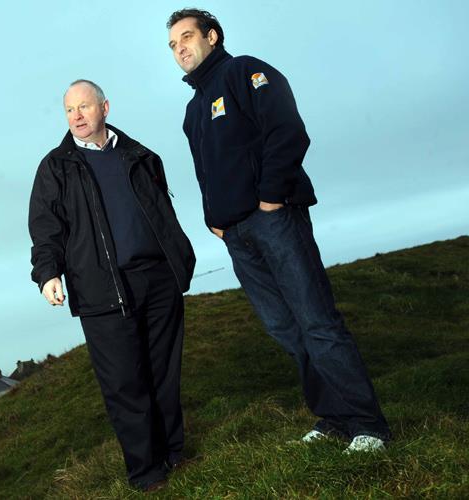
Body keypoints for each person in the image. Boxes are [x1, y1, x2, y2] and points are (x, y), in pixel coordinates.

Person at [166, 9, 391, 452]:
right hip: (236, 235)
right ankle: (334, 418)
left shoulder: (246, 71)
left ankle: (369, 425)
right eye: (173, 45)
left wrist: (270, 197)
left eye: (187, 37)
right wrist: (216, 219)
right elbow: (205, 171)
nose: (180, 49)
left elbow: (287, 130)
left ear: (212, 36)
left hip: (275, 219)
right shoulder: (194, 110)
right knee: (285, 328)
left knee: (317, 321)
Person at [28, 80, 196, 490]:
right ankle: (147, 471)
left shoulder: (141, 156)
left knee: (163, 375)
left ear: (104, 107)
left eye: (84, 107)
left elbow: (163, 213)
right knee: (125, 385)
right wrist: (48, 273)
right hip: (101, 290)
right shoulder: (55, 167)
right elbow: (46, 229)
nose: (77, 117)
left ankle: (175, 453)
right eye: (69, 110)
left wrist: (179, 259)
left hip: (158, 280)